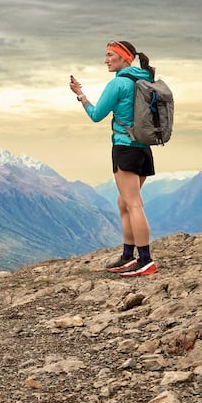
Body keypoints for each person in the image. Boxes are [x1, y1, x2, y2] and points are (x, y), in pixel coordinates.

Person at [70, 40, 158, 276]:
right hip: (143, 148)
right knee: (124, 202)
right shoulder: (143, 79)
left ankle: (145, 260)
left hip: (124, 147)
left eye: (110, 55)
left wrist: (81, 96)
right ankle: (129, 256)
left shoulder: (118, 83)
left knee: (133, 204)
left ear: (123, 58)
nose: (106, 60)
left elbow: (97, 115)